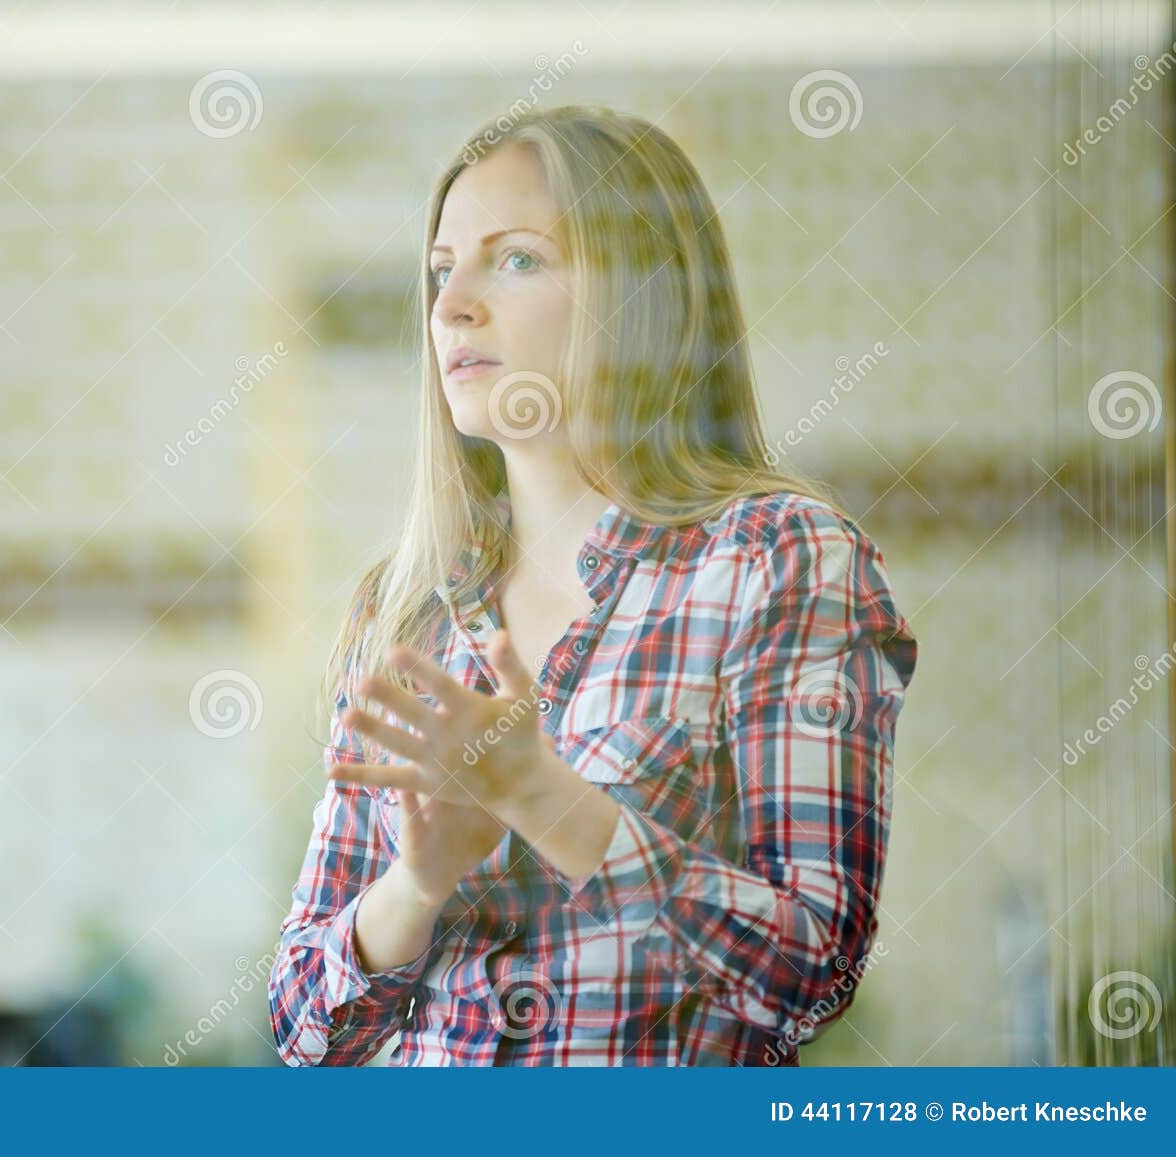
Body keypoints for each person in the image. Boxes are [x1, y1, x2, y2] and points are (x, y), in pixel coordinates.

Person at [267, 104, 918, 1066]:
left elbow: (812, 971)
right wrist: (418, 881)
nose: (452, 307)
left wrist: (546, 799)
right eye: (443, 271)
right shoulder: (402, 606)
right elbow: (302, 1027)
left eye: (517, 259)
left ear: (643, 294)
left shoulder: (778, 556)